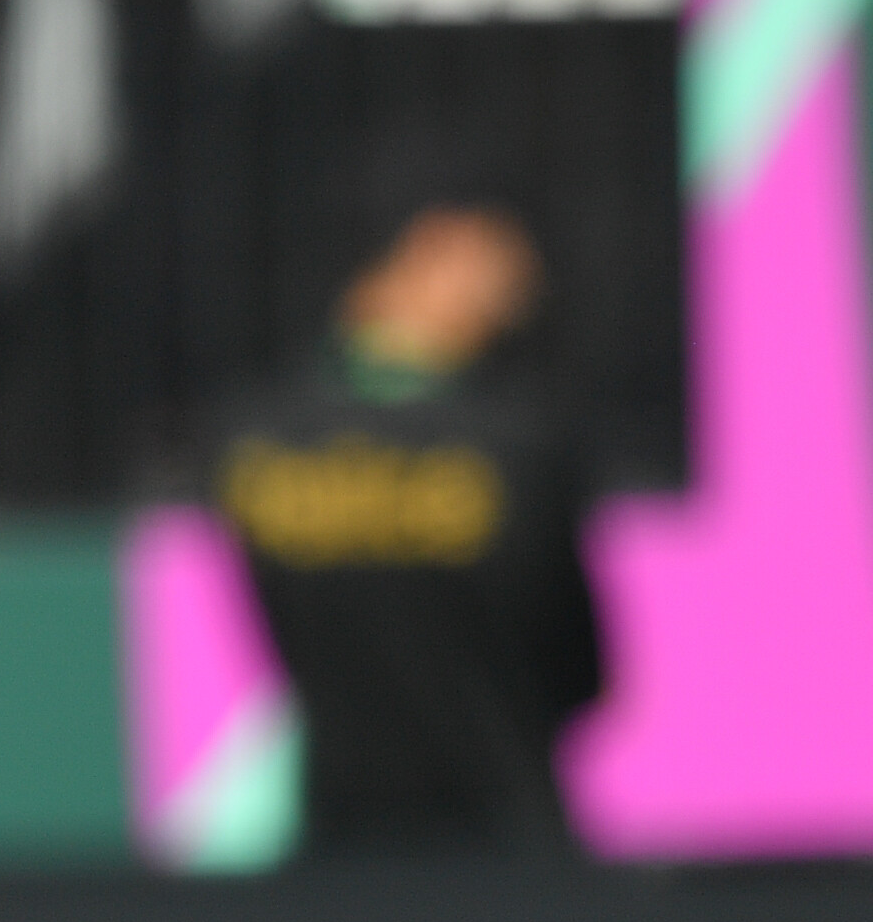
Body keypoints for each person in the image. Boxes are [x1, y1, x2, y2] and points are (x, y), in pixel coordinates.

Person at [214, 206, 602, 857]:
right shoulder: (519, 446)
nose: (514, 289)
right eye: (477, 255)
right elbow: (581, 671)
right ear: (401, 259)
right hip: (507, 840)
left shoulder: (255, 438)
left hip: (341, 841)